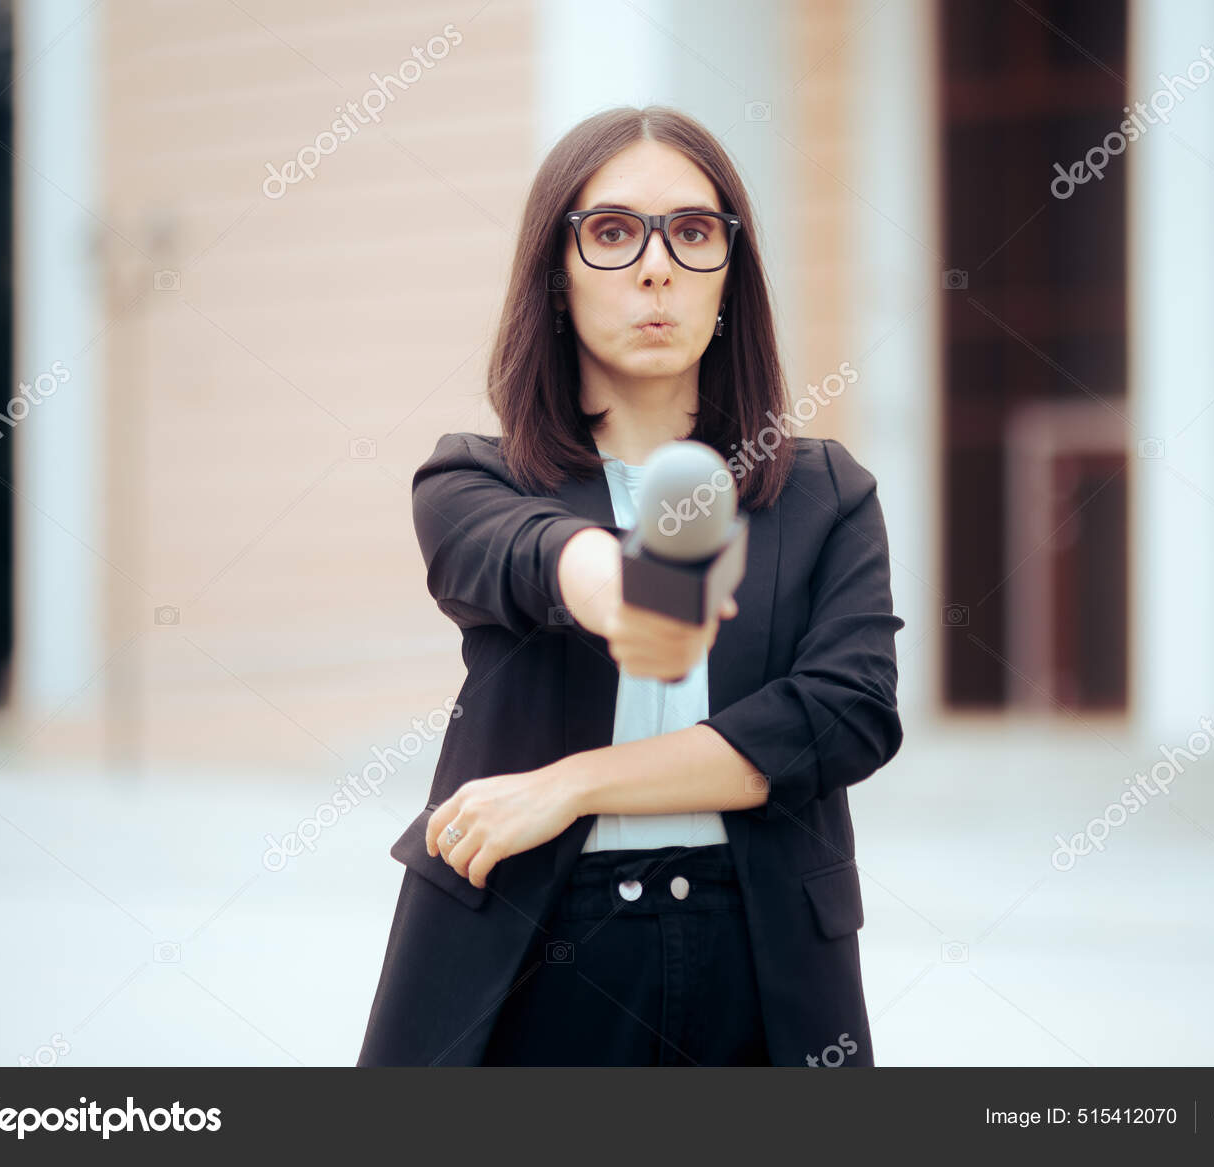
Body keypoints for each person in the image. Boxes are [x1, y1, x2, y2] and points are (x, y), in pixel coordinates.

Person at [356, 105, 903, 1067]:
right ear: (555, 279)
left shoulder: (826, 493)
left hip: (761, 962)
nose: (657, 266)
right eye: (612, 232)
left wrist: (573, 786)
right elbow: (537, 557)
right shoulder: (472, 480)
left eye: (693, 232)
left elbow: (844, 716)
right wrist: (631, 589)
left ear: (730, 273)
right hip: (534, 955)